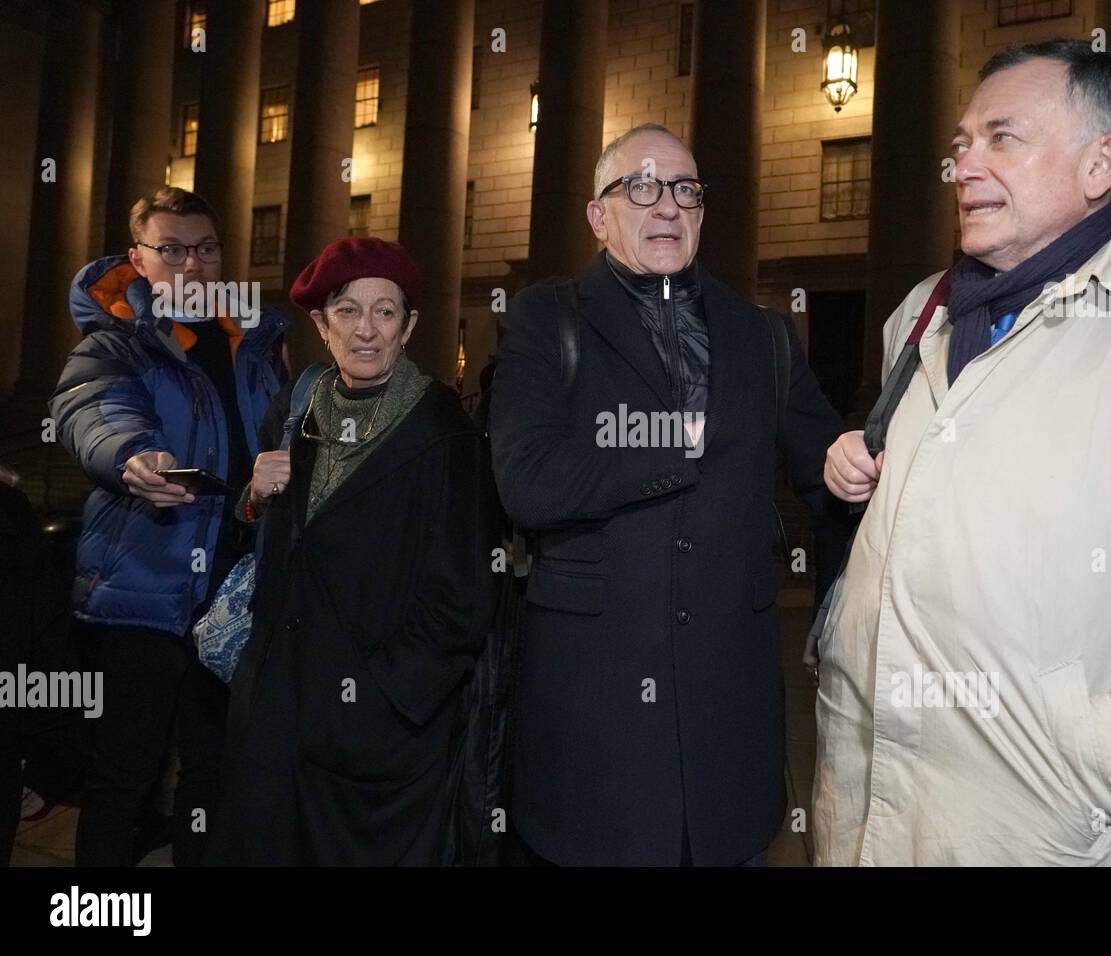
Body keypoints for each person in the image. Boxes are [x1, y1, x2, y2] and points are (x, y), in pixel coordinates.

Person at [814, 39, 1111, 865]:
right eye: (962, 143)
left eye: (1003, 138)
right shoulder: (918, 316)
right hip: (863, 819)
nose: (963, 166)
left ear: (1099, 164)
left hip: (1046, 841)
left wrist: (1100, 773)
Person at [490, 123, 847, 866]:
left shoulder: (764, 338)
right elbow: (528, 481)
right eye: (642, 187)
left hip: (730, 716)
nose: (667, 207)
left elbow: (834, 491)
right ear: (599, 215)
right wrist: (668, 445)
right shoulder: (546, 318)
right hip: (595, 714)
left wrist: (841, 615)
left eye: (685, 190)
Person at [204, 237, 499, 866]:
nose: (366, 330)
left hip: (381, 742)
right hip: (276, 717)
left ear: (410, 326)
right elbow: (269, 544)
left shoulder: (446, 435)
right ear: (321, 323)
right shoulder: (297, 406)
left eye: (385, 312)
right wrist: (252, 497)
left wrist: (378, 703)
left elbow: (464, 601)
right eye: (347, 311)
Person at [49, 187, 288, 866]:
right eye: (173, 249)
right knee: (125, 773)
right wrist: (132, 456)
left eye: (207, 248)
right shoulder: (116, 340)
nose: (193, 265)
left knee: (212, 775)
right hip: (145, 593)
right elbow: (91, 411)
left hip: (233, 596)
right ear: (138, 258)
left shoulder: (257, 341)